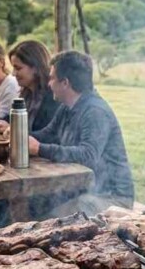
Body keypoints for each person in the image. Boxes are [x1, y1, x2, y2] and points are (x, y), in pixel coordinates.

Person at [29, 51, 135, 215]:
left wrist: (39, 148)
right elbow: (47, 134)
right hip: (84, 189)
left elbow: (88, 154)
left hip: (112, 198)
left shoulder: (94, 111)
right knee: (34, 205)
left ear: (65, 83)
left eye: (51, 78)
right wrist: (18, 135)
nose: (49, 84)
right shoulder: (67, 106)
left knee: (52, 220)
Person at [0, 40, 59, 135]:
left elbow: (48, 135)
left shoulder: (52, 96)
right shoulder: (27, 94)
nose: (13, 73)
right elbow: (11, 119)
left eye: (18, 68)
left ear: (36, 68)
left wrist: (12, 129)